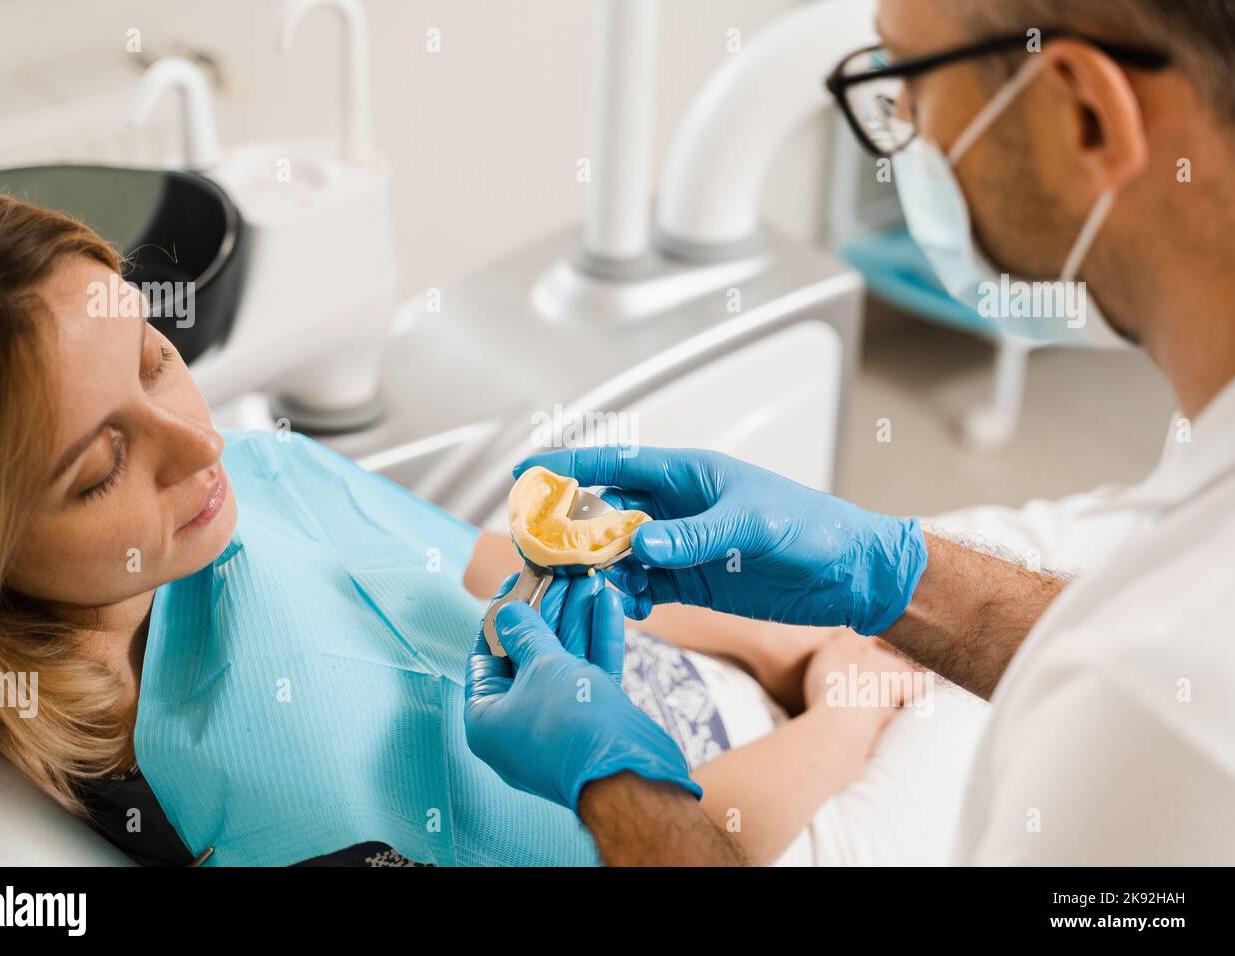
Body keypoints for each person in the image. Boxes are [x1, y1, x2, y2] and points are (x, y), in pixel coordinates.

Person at [0, 184, 970, 866]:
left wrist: (779, 633)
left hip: (754, 704)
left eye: (157, 357)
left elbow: (480, 561)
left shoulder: (252, 470)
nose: (197, 446)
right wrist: (848, 708)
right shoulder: (227, 778)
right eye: (102, 466)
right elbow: (681, 841)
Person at [464, 0, 1235, 865]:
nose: (899, 122)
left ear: (1085, 115)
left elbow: (1145, 675)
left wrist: (615, 787)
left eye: (906, 81)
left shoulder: (1163, 717)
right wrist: (898, 578)